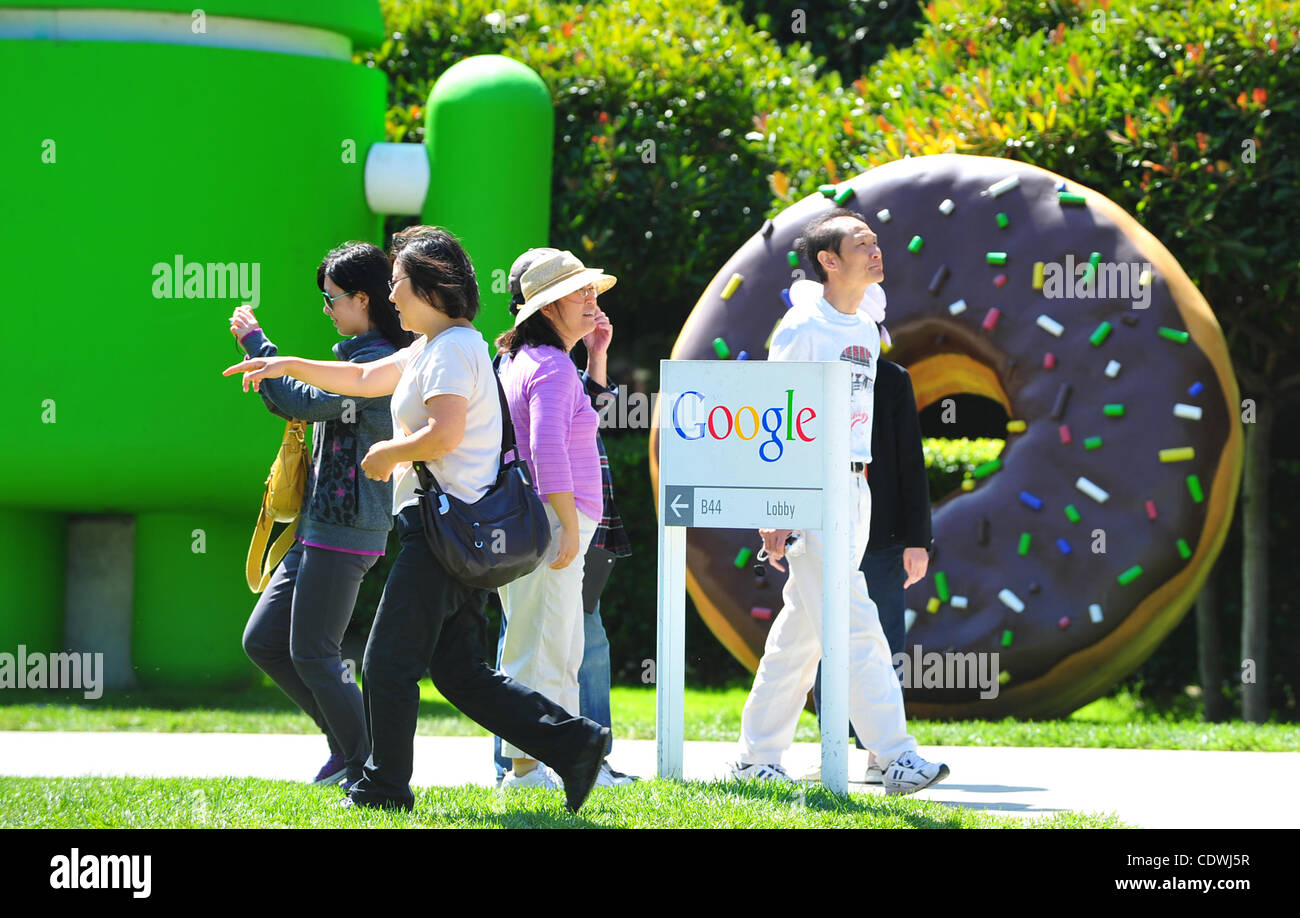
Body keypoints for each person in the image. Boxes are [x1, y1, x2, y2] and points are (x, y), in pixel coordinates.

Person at [224, 226, 609, 813]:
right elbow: (361, 379)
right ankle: (576, 744)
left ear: (431, 286)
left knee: (386, 663)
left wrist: (390, 452)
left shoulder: (453, 350)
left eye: (398, 281)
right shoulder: (431, 347)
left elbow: (445, 433)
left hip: (444, 531)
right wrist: (282, 365)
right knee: (460, 673)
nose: (390, 294)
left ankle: (383, 788)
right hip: (450, 530)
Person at [731, 208, 949, 796]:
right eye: (861, 243)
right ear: (828, 261)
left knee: (802, 633)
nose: (876, 250)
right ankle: (895, 754)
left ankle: (755, 758)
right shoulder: (802, 328)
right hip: (811, 488)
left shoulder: (863, 330)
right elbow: (773, 419)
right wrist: (775, 511)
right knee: (855, 621)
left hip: (855, 487)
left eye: (876, 241)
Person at [231, 241, 412, 790]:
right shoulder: (354, 355)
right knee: (264, 641)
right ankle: (347, 745)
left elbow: (302, 401)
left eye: (331, 299)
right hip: (319, 526)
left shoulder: (377, 363)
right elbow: (292, 399)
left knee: (313, 652)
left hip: (348, 527)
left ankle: (366, 762)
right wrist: (269, 366)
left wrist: (259, 346)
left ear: (362, 299)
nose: (326, 309)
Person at [489, 249, 635, 788]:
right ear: (549, 306)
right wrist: (569, 526)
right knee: (544, 648)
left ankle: (560, 763)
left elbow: (570, 426)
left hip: (538, 520)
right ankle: (526, 771)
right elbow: (547, 448)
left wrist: (596, 359)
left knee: (555, 645)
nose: (593, 300)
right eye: (581, 292)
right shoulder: (550, 366)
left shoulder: (532, 360)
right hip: (551, 521)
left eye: (592, 290)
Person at [811, 356, 933, 783]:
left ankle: (878, 754)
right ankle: (832, 747)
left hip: (882, 534)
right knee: (826, 639)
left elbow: (910, 458)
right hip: (824, 527)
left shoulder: (892, 378)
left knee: (883, 642)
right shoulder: (814, 363)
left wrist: (918, 539)